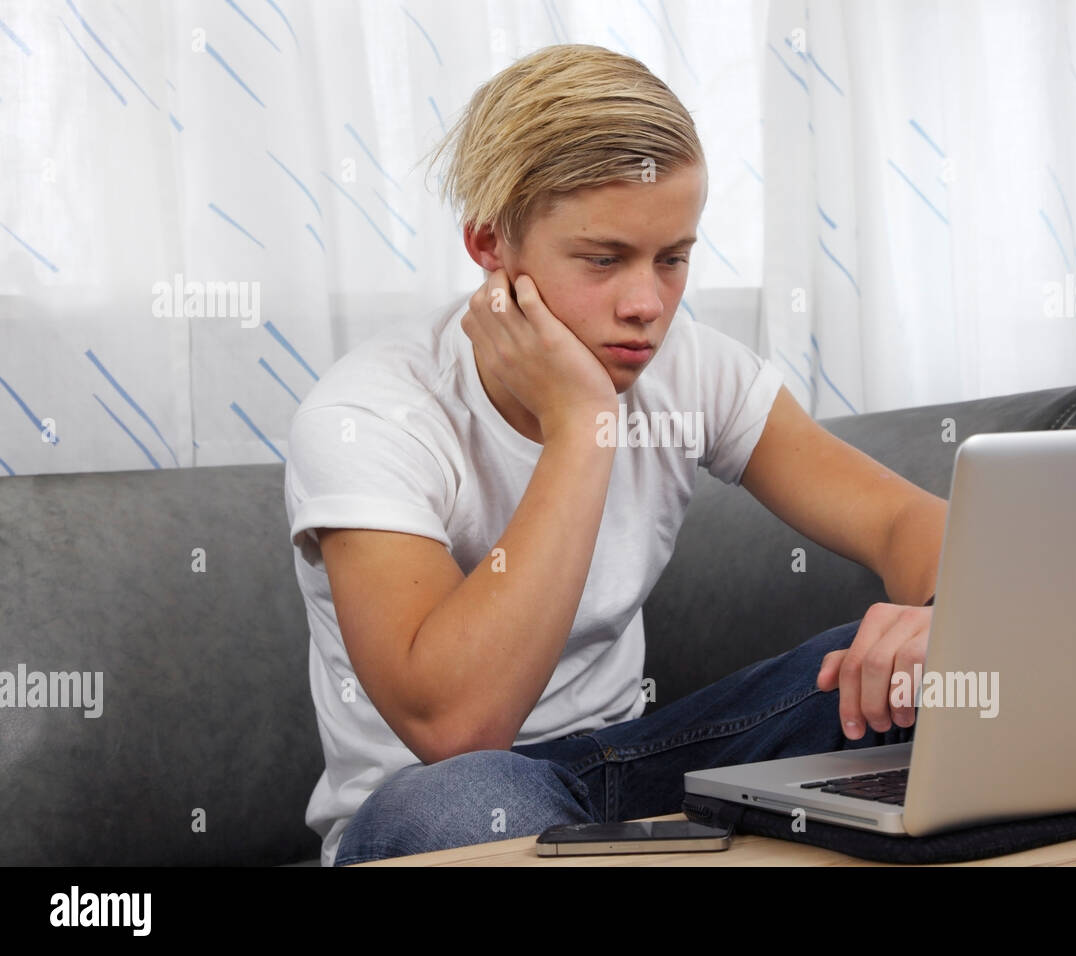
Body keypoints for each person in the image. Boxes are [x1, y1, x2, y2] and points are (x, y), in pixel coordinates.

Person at [284, 43, 947, 867]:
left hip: (636, 767)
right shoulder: (369, 416)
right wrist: (581, 423)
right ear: (491, 244)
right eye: (603, 261)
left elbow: (903, 522)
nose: (647, 306)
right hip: (440, 801)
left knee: (931, 682)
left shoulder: (690, 365)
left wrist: (937, 621)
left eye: (673, 259)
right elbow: (456, 727)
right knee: (465, 801)